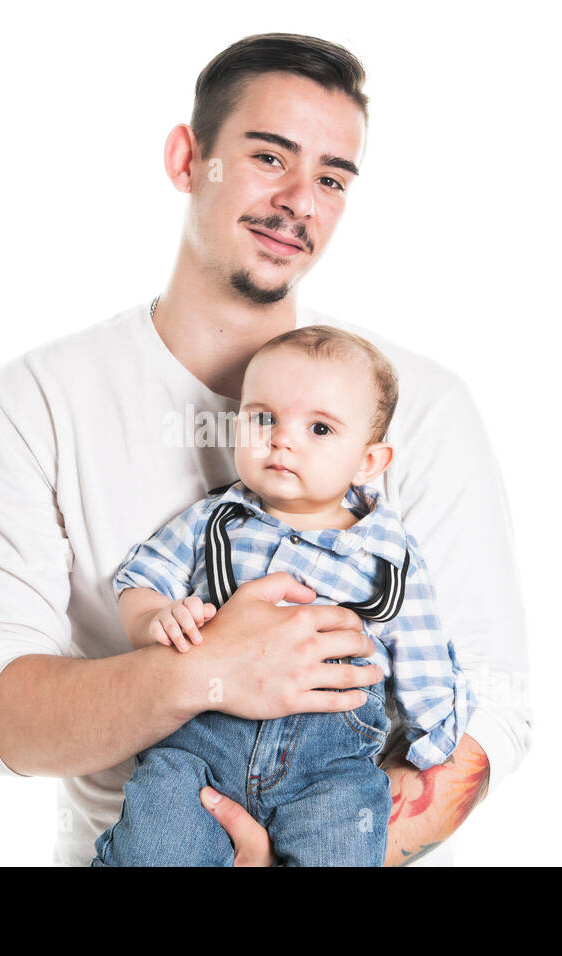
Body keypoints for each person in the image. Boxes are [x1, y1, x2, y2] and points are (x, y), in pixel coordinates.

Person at [0, 32, 531, 867]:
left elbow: (492, 712)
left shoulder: (421, 411)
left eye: (331, 177)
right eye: (268, 157)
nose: (301, 201)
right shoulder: (33, 402)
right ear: (188, 158)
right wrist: (205, 673)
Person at [91, 326, 474, 866]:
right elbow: (141, 577)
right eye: (262, 418)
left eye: (319, 427)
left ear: (368, 462)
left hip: (329, 768)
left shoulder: (390, 556)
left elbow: (422, 651)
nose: (282, 439)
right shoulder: (214, 521)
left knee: (342, 846)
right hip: (199, 750)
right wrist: (157, 616)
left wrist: (434, 731)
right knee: (155, 846)